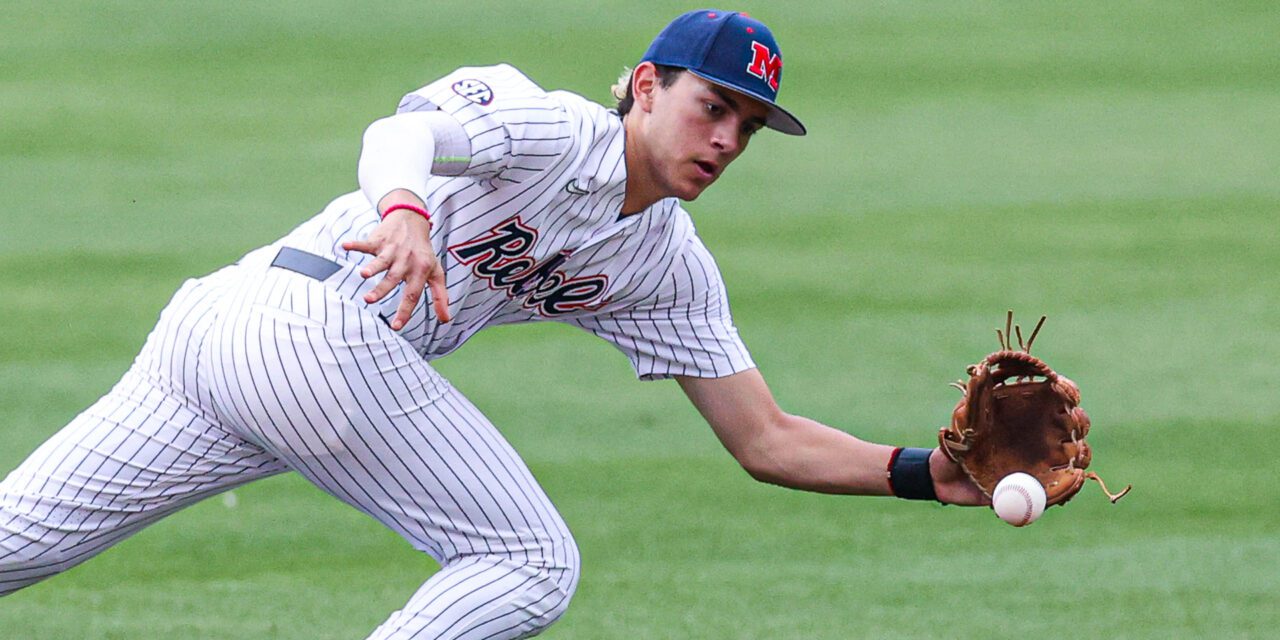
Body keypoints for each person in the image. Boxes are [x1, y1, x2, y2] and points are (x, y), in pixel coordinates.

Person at [0, 9, 986, 639]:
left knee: (17, 541)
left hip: (250, 342)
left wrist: (922, 473)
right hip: (293, 327)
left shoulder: (665, 263)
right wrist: (403, 211)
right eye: (711, 106)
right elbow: (399, 133)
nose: (727, 138)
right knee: (527, 563)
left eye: (750, 126)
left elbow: (764, 438)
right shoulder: (554, 126)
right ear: (645, 86)